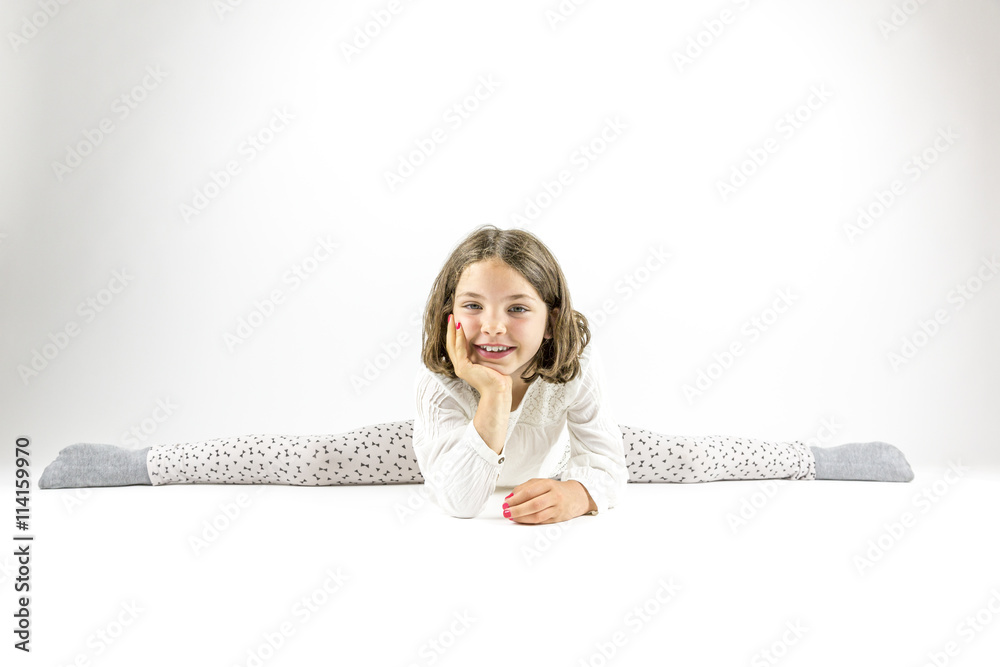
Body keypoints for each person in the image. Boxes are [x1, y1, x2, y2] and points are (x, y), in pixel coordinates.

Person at [38, 225, 915, 524]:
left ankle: (827, 456)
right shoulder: (446, 371)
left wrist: (584, 493)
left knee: (683, 455)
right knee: (304, 457)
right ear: (450, 308)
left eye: (517, 309)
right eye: (475, 306)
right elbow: (457, 499)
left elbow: (605, 457)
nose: (492, 328)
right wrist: (490, 396)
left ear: (553, 314)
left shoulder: (576, 354)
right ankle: (135, 461)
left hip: (552, 450)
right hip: (441, 449)